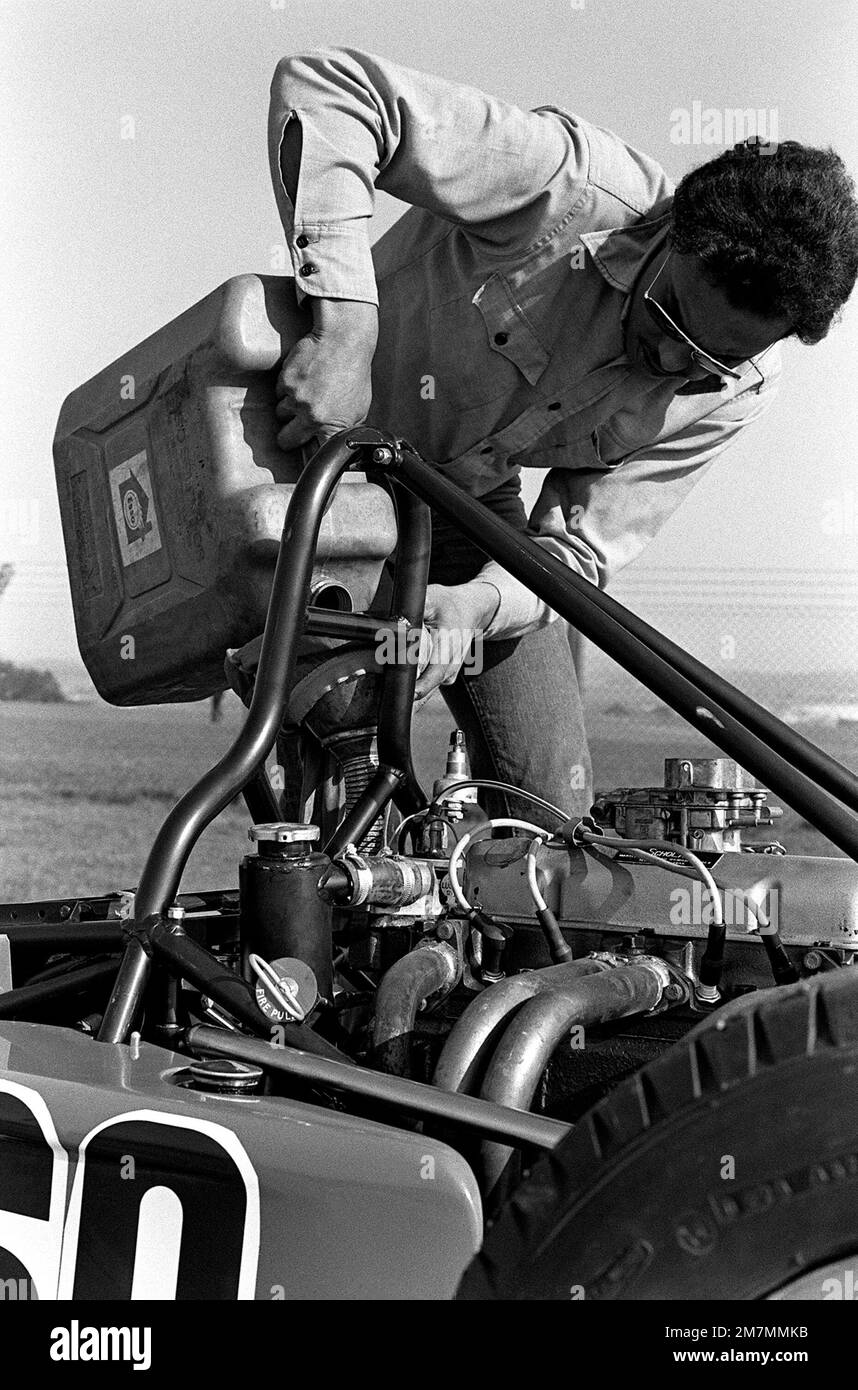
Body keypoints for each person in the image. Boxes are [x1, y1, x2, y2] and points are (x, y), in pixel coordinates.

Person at [266, 48, 858, 826]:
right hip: (309, 460)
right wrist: (345, 326)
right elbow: (331, 89)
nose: (675, 360)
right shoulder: (567, 185)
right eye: (672, 315)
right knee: (335, 789)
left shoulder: (739, 389)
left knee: (555, 808)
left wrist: (474, 607)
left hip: (466, 509)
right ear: (672, 231)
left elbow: (578, 551)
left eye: (713, 359)